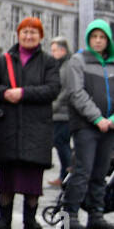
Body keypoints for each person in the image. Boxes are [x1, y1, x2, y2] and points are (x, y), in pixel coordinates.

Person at [0, 18, 61, 229]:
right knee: (7, 176)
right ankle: (4, 218)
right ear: (18, 35)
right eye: (25, 32)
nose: (28, 36)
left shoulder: (48, 62)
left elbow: (53, 89)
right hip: (8, 126)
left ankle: (30, 219)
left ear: (41, 37)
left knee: (32, 178)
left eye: (33, 32)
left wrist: (24, 93)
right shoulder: (4, 60)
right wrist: (4, 93)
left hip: (36, 128)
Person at [59, 20, 114, 229]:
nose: (98, 41)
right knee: (82, 170)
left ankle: (96, 213)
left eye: (102, 37)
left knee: (100, 172)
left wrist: (111, 120)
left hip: (109, 127)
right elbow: (76, 93)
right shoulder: (78, 60)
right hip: (86, 125)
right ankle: (69, 214)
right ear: (88, 39)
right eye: (94, 37)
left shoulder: (112, 63)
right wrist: (97, 118)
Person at [48, 38, 73, 189]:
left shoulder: (68, 65)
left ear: (63, 50)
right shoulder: (61, 64)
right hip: (59, 112)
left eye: (54, 50)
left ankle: (68, 174)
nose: (53, 53)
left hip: (64, 113)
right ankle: (64, 174)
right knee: (60, 143)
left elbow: (67, 89)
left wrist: (55, 105)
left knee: (61, 143)